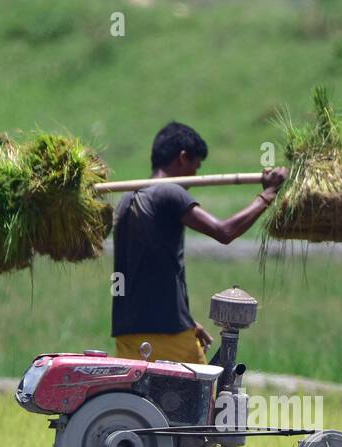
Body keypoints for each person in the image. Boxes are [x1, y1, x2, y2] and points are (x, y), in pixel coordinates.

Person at [111, 121, 286, 363]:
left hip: (128, 337)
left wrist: (187, 320)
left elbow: (146, 274)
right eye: (196, 166)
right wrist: (267, 194)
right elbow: (224, 232)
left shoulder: (126, 202)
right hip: (167, 338)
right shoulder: (169, 192)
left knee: (145, 399)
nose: (195, 177)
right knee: (201, 398)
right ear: (182, 158)